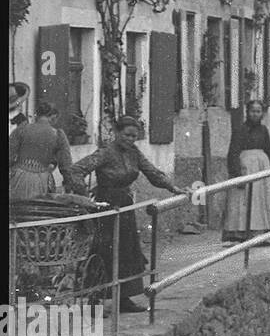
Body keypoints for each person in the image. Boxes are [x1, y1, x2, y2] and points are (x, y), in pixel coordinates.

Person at [69, 115, 186, 312]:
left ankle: (123, 299)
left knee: (128, 250)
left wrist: (173, 188)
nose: (130, 139)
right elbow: (75, 170)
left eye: (134, 136)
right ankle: (95, 299)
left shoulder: (134, 153)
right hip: (106, 207)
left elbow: (153, 173)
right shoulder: (106, 152)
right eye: (127, 135)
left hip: (125, 206)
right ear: (116, 132)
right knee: (106, 251)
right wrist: (85, 199)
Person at [223, 99, 270, 243]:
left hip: (261, 169)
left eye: (258, 111)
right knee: (244, 200)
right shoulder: (240, 130)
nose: (255, 114)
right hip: (245, 168)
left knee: (260, 200)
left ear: (262, 114)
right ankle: (241, 233)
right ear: (248, 112)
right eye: (253, 111)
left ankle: (259, 233)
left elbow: (269, 150)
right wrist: (237, 174)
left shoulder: (264, 130)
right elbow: (233, 153)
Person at [8, 101, 74, 199]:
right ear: (53, 117)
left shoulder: (21, 129)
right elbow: (66, 166)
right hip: (42, 182)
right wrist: (69, 186)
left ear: (36, 115)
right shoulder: (58, 135)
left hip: (16, 180)